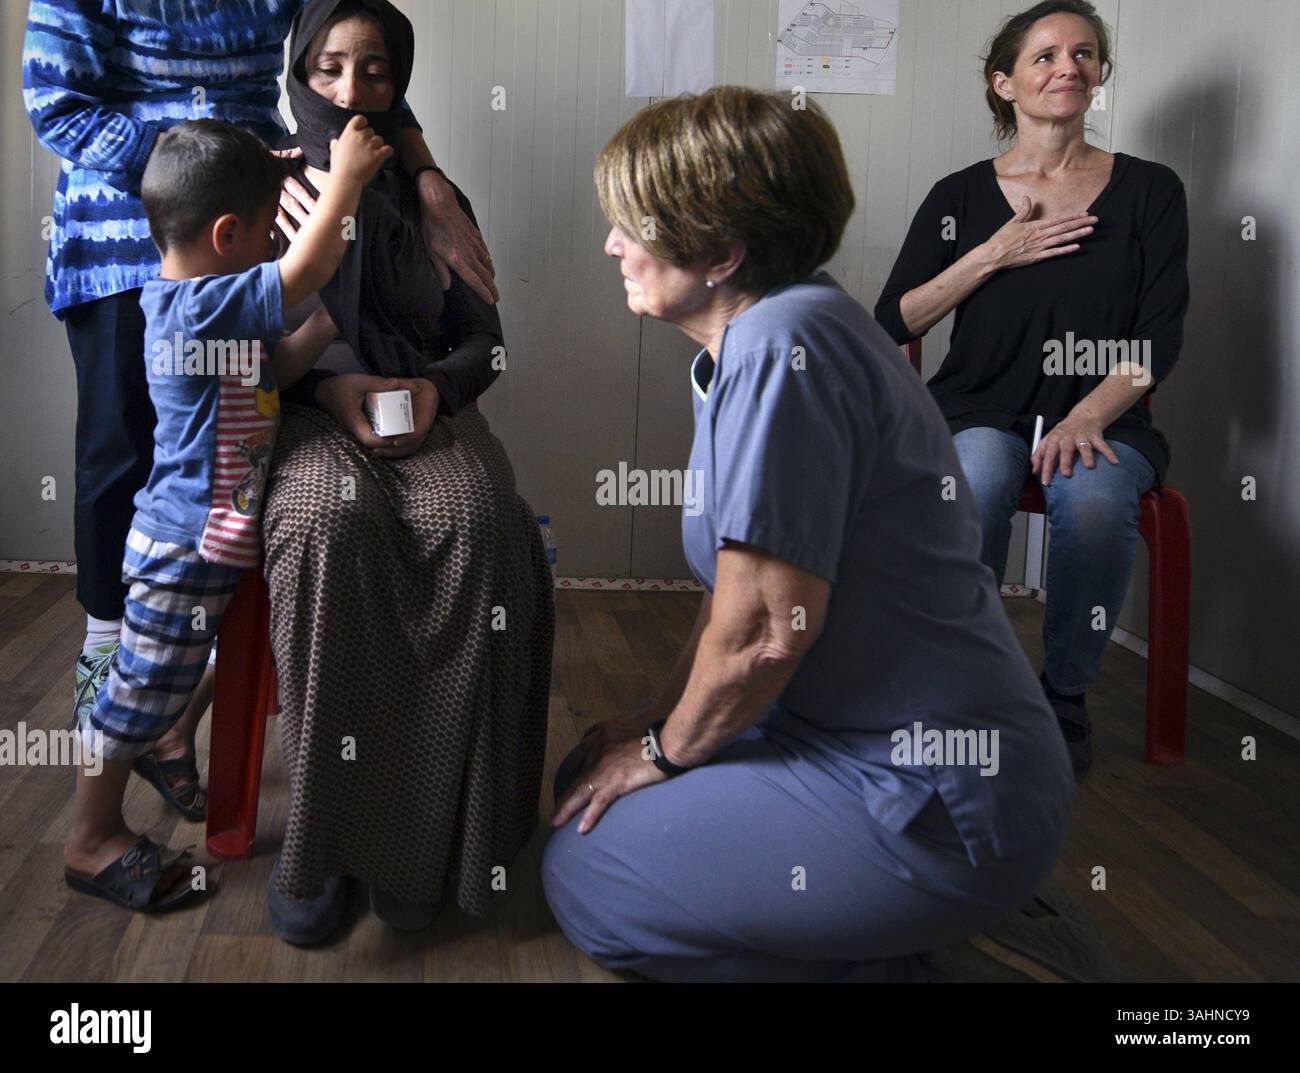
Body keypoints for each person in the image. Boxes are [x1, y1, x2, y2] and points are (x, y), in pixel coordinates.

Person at [540, 86, 1076, 983]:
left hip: (938, 796)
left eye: (632, 224)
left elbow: (758, 636)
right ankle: (870, 931)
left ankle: (900, 958)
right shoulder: (771, 333)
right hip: (845, 737)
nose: (612, 245)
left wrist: (668, 751)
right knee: (584, 780)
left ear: (718, 249)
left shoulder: (785, 348)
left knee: (589, 873)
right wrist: (648, 726)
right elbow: (732, 602)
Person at [22, 0, 496, 821]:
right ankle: (107, 716)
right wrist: (199, 173)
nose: (350, 87)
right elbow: (56, 103)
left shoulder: (318, 167)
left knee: (243, 419)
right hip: (148, 222)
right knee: (119, 458)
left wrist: (425, 177)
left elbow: (357, 62)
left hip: (250, 212)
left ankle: (169, 713)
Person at [261, 0, 553, 945]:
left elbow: (488, 350)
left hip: (425, 414)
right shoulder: (262, 188)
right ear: (299, 73)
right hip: (308, 419)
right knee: (325, 525)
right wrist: (332, 392)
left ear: (402, 84)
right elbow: (236, 346)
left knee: (477, 521)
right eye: (329, 69)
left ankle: (425, 846)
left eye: (376, 72)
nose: (351, 94)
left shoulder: (436, 199)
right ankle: (326, 843)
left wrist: (431, 391)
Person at [64, 116, 391, 911]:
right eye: (262, 239)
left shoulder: (209, 309)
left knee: (187, 666)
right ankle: (90, 837)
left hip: (211, 544)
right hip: (182, 547)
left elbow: (269, 368)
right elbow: (310, 260)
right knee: (138, 691)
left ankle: (172, 737)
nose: (272, 253)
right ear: (225, 235)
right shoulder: (191, 306)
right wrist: (344, 176)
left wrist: (329, 326)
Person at [874, 0, 1189, 774]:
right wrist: (993, 254)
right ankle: (963, 690)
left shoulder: (1150, 191)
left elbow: (1160, 337)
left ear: (1100, 75)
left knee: (1096, 495)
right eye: (1044, 56)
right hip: (980, 405)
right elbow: (896, 317)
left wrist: (1086, 416)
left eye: (1084, 54)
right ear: (1004, 82)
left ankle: (1063, 697)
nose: (1067, 68)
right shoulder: (960, 197)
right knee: (976, 477)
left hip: (1105, 413)